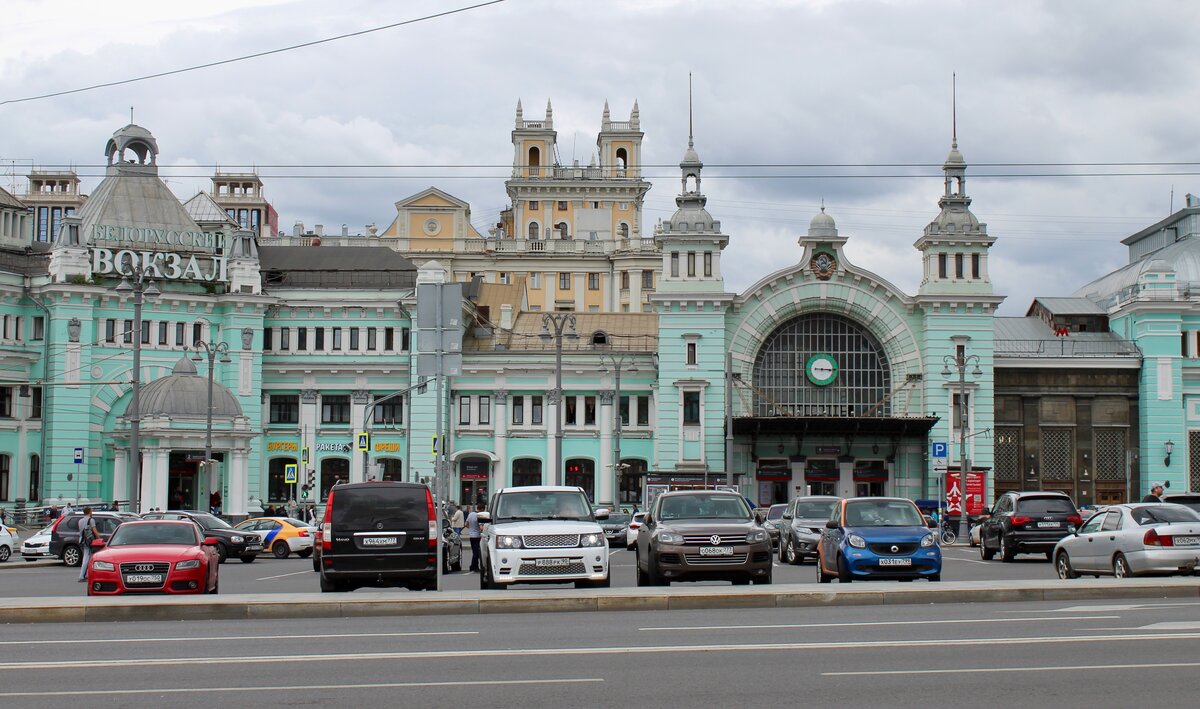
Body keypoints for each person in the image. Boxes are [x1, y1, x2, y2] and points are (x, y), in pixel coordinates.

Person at [77, 507, 98, 582]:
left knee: (87, 557)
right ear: (89, 512)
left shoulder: (80, 521)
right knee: (86, 558)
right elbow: (94, 531)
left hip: (82, 541)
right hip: (88, 541)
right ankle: (82, 576)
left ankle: (86, 575)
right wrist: (98, 538)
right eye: (91, 511)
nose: (92, 512)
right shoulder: (91, 520)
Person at [466, 503, 485, 572]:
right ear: (482, 509)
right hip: (477, 536)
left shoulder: (470, 514)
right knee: (477, 552)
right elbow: (481, 528)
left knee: (474, 551)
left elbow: (466, 524)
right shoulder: (479, 516)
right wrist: (481, 530)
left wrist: (471, 528)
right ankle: (472, 566)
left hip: (471, 535)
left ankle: (476, 566)